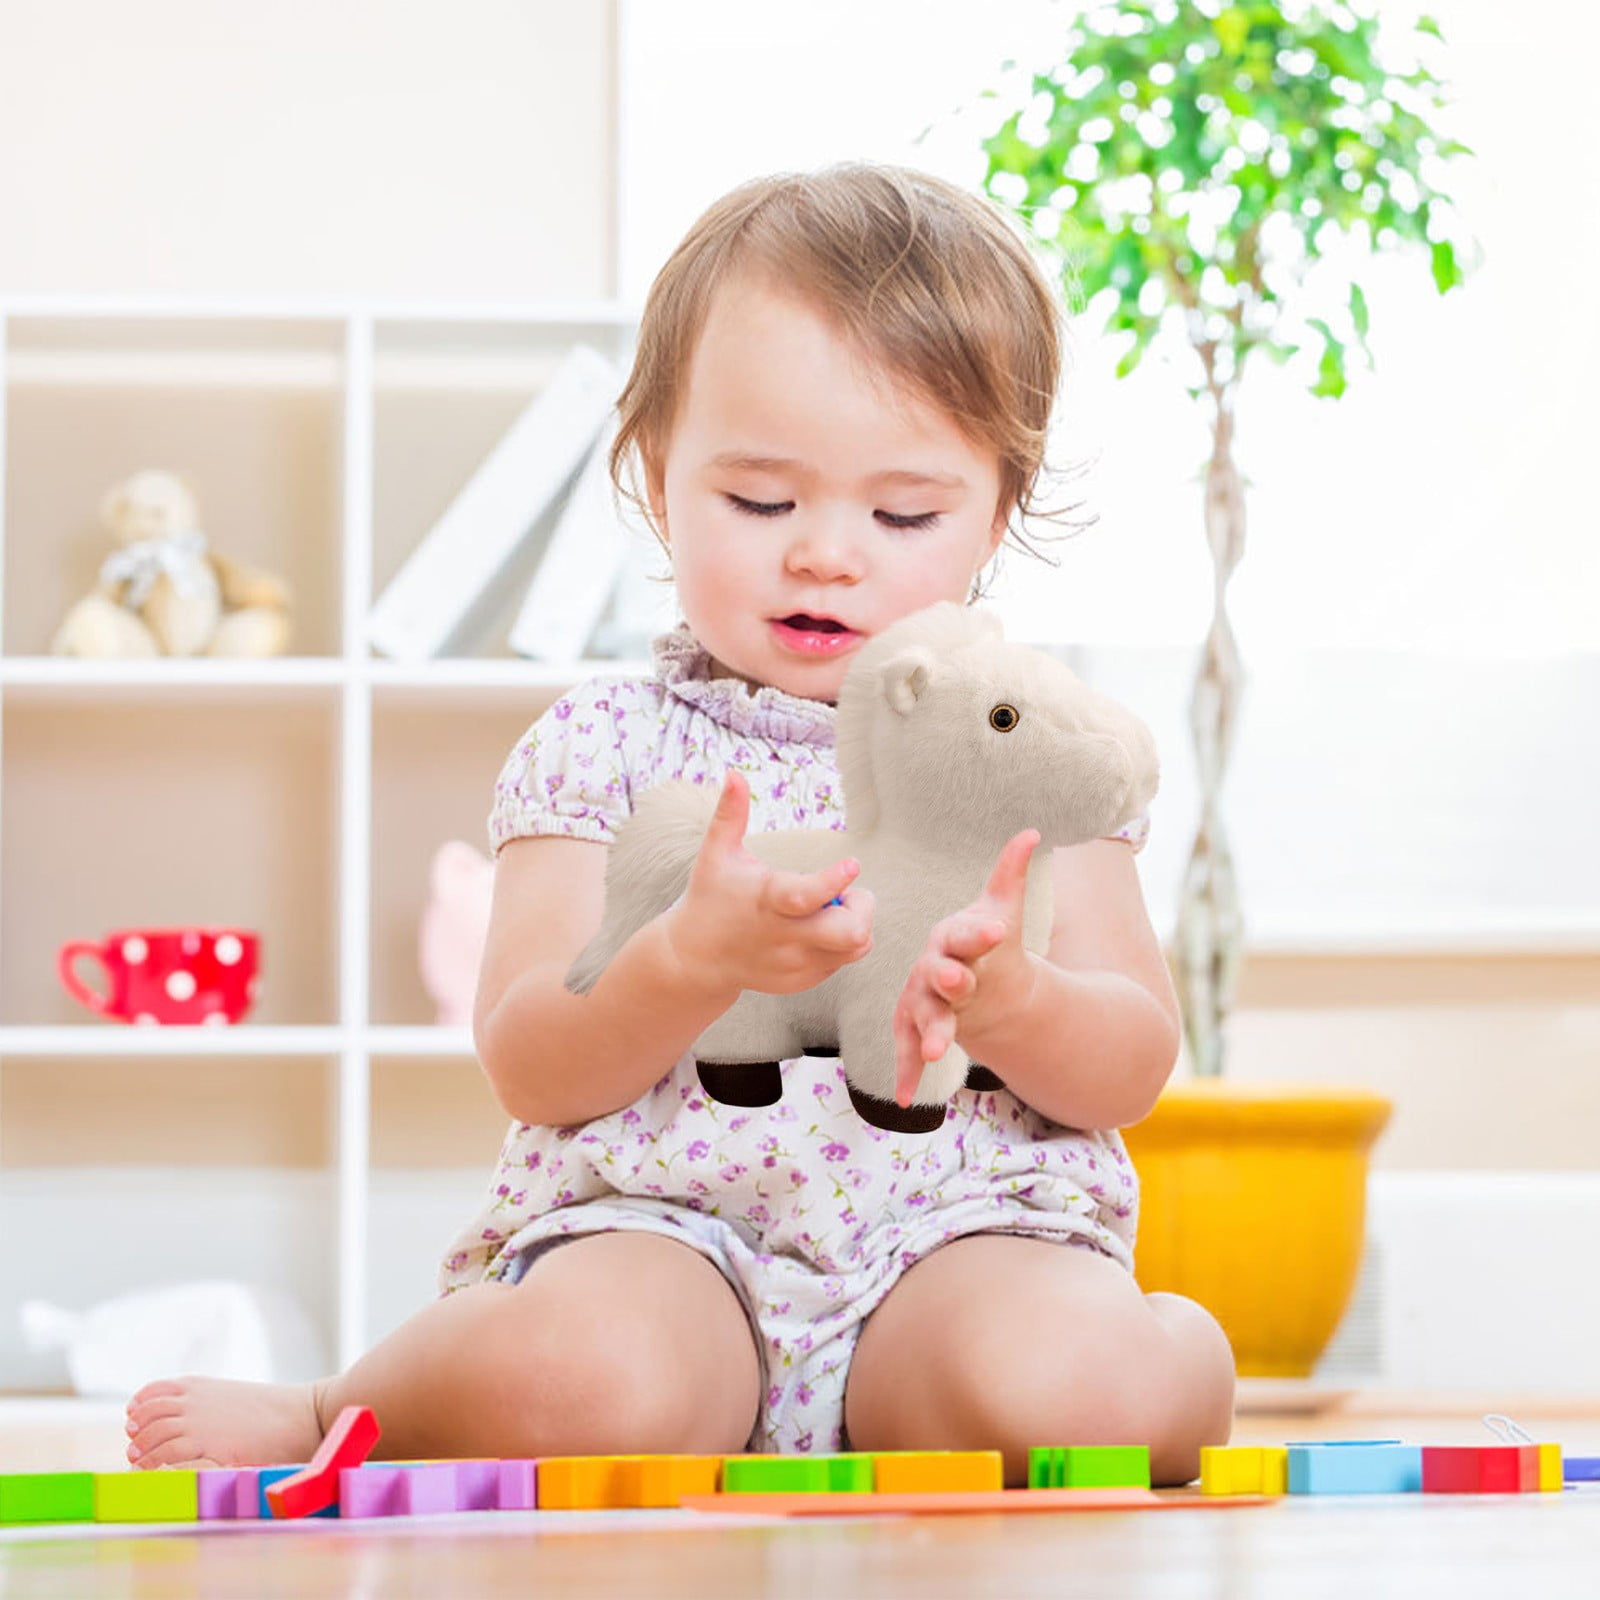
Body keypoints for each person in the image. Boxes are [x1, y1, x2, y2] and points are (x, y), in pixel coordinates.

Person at [124, 164, 1234, 1487]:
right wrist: (686, 964)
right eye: (760, 501)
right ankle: (336, 1410)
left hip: (966, 1238)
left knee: (1074, 1397)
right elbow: (534, 1062)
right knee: (580, 1385)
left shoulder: (1028, 744)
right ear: (656, 479)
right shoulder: (605, 747)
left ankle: (1147, 1352)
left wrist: (1010, 999)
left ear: (996, 511)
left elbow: (1129, 1063)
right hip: (664, 1239)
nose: (826, 552)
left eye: (903, 513)